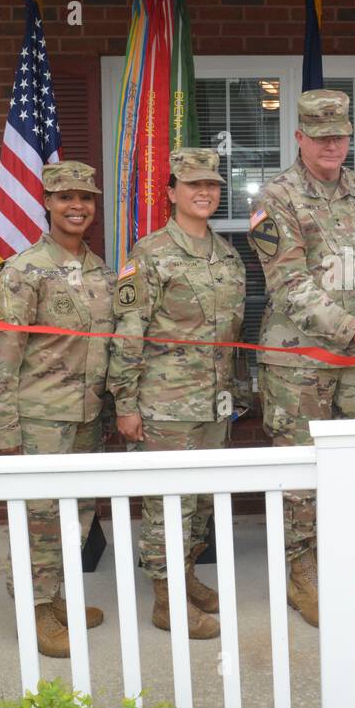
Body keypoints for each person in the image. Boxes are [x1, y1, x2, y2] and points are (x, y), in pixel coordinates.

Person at [249, 89, 355, 628]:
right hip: (299, 361)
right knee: (301, 471)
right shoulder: (275, 197)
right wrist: (351, 328)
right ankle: (301, 572)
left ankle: (336, 557)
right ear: (300, 138)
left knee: (346, 466)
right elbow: (288, 284)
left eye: (340, 134)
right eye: (321, 135)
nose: (333, 144)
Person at [0, 160, 117, 656]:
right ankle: (33, 610)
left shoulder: (100, 270)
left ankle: (54, 598)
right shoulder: (24, 270)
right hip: (39, 418)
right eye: (66, 198)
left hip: (86, 416)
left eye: (86, 198)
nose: (77, 206)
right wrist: (1, 427)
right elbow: (0, 352)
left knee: (76, 514)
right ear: (48, 203)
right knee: (39, 517)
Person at [108, 148, 249, 640]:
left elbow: (233, 338)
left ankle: (185, 575)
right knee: (168, 504)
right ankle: (165, 601)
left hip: (215, 405)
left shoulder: (229, 256)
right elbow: (128, 332)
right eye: (192, 185)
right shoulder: (148, 255)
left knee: (201, 502)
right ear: (171, 193)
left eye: (211, 184)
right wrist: (125, 404)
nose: (204, 193)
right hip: (165, 405)